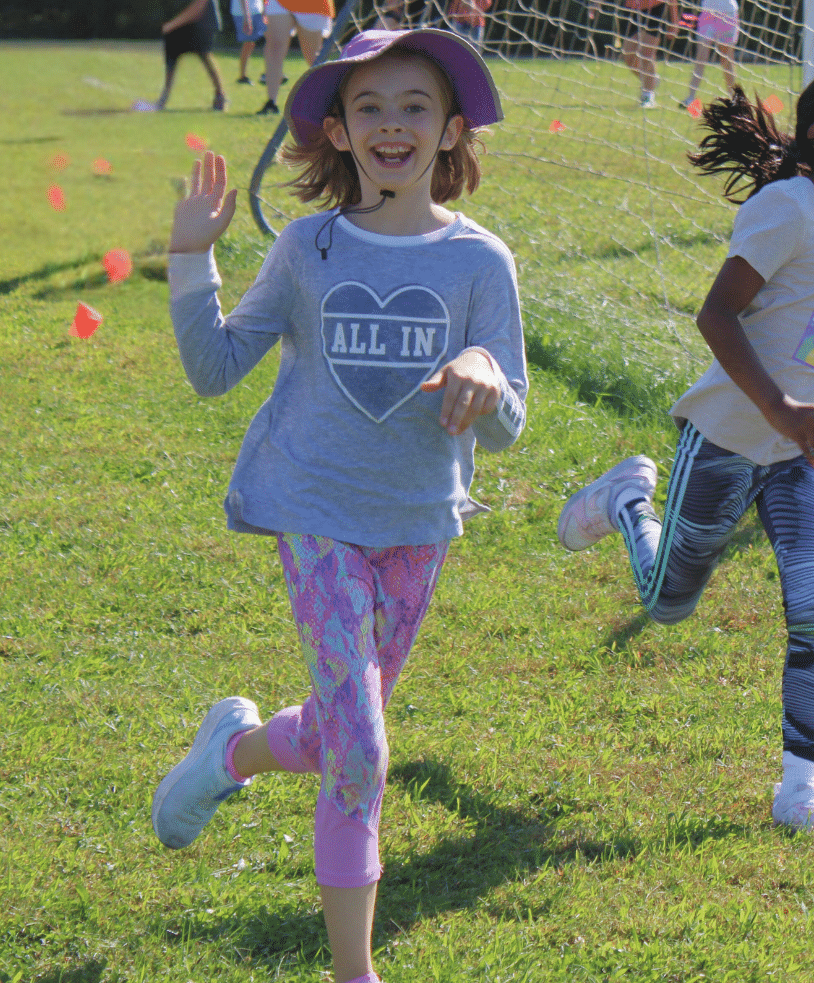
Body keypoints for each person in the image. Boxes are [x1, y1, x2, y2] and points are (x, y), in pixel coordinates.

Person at [153, 29, 528, 983]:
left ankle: (231, 752)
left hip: (419, 525)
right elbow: (214, 368)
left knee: (336, 731)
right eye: (369, 107)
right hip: (314, 512)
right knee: (360, 750)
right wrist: (191, 259)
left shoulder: (481, 261)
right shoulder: (306, 247)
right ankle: (353, 973)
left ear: (451, 130)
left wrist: (483, 371)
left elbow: (508, 424)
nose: (391, 124)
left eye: (413, 106)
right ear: (338, 130)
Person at [556, 84, 814, 830]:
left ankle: (800, 783)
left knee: (811, 611)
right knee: (669, 603)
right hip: (731, 434)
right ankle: (624, 501)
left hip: (800, 456)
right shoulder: (788, 208)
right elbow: (715, 313)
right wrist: (779, 406)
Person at [256, 0, 334, 115]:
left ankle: (328, 100)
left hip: (313, 4)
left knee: (313, 57)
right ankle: (271, 102)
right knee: (275, 47)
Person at [155, 0, 227, 111]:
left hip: (204, 22)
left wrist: (173, 24)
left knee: (204, 53)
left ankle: (220, 97)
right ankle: (163, 99)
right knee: (173, 54)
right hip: (187, 20)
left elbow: (198, 7)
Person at [678, 0, 738, 108]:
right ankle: (690, 98)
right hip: (707, 14)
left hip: (728, 13)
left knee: (726, 61)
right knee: (701, 58)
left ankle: (734, 99)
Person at [621, 0, 678, 108]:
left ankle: (648, 97)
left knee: (647, 54)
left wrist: (674, 22)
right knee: (628, 56)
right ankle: (652, 79)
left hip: (655, 8)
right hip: (632, 8)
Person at [231, 0, 266, 84]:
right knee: (248, 43)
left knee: (268, 40)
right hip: (243, 13)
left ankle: (269, 72)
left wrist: (264, 10)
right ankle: (243, 76)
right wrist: (247, 16)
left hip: (257, 11)